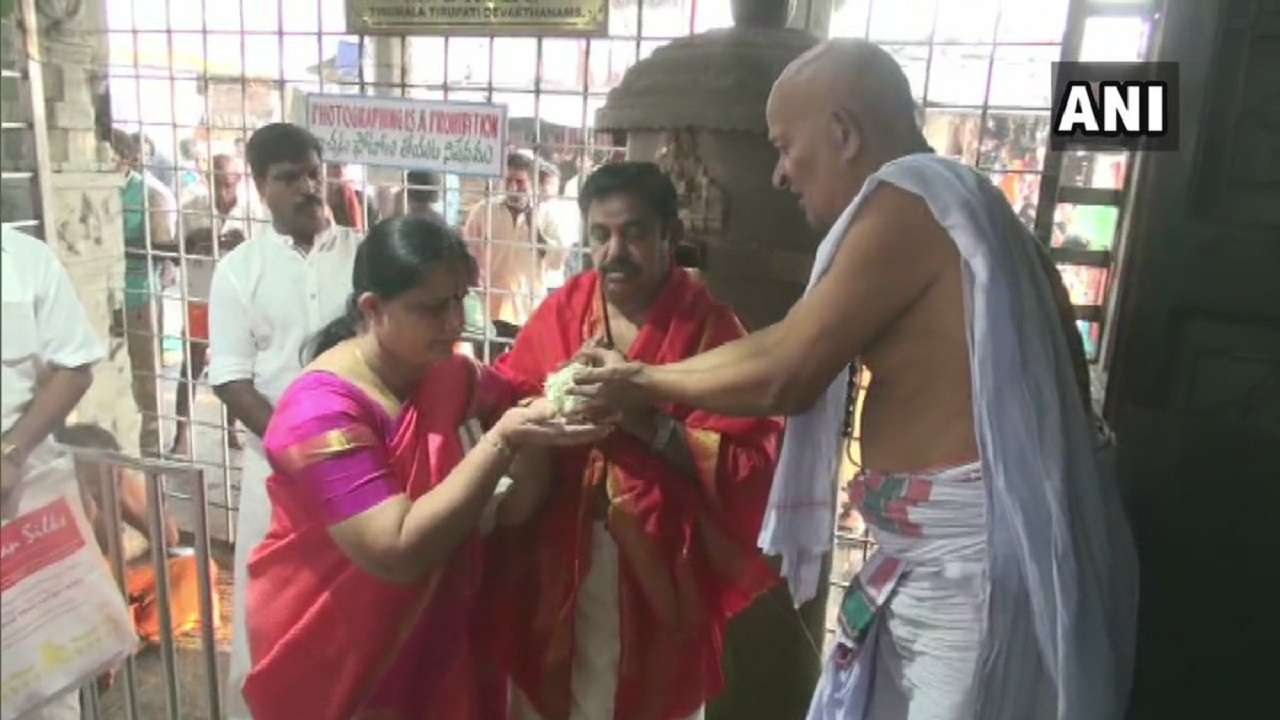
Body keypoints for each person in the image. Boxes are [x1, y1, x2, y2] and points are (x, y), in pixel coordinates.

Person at [573, 40, 1137, 720]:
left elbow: (789, 368)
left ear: (841, 133)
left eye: (785, 146)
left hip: (968, 573)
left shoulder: (911, 199)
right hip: (948, 560)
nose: (781, 174)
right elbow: (787, 342)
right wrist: (644, 377)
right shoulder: (965, 206)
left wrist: (640, 383)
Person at [241, 216, 606, 719]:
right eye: (433, 308)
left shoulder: (451, 376)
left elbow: (520, 458)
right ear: (373, 308)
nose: (456, 322)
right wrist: (500, 441)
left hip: (442, 642)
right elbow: (396, 550)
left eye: (460, 299)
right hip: (340, 650)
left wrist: (558, 399)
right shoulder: (319, 412)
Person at [484, 162, 783, 720]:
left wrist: (644, 418)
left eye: (635, 233)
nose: (615, 251)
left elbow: (750, 465)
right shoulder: (565, 308)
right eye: (600, 235)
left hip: (658, 573)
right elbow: (511, 397)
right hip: (555, 561)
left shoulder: (712, 330)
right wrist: (547, 408)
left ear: (670, 235)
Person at [207, 122, 363, 719]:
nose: (306, 187)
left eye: (313, 172)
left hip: (358, 465)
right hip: (274, 474)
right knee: (270, 614)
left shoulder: (362, 255)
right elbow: (230, 377)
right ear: (260, 186)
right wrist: (294, 448)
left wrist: (340, 454)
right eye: (288, 178)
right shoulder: (239, 271)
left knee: (352, 610)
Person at [1, 226, 105, 720]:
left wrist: (10, 453)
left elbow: (75, 363)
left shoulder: (25, 260)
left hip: (22, 499)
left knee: (47, 681)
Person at [170, 153, 267, 457]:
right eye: (218, 180)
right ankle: (181, 434)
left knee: (237, 365)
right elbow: (175, 250)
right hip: (202, 292)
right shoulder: (192, 207)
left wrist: (238, 244)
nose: (224, 188)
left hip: (238, 298)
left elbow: (261, 253)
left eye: (229, 181)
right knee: (193, 363)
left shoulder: (251, 210)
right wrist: (196, 243)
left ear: (239, 179)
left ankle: (231, 430)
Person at [113, 129, 178, 457]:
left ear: (125, 158)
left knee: (146, 378)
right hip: (105, 296)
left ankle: (151, 449)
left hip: (139, 295)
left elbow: (162, 247)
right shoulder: (100, 192)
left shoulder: (151, 194)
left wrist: (113, 249)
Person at [463, 151, 547, 340]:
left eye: (519, 181)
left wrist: (534, 224)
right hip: (490, 305)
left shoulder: (544, 215)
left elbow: (556, 261)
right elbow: (468, 250)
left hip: (528, 307)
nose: (512, 187)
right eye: (508, 180)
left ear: (532, 183)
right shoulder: (484, 210)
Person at [533, 159, 581, 293]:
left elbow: (565, 249)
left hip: (551, 280)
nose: (550, 189)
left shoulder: (559, 209)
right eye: (547, 184)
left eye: (554, 184)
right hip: (536, 280)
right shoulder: (533, 208)